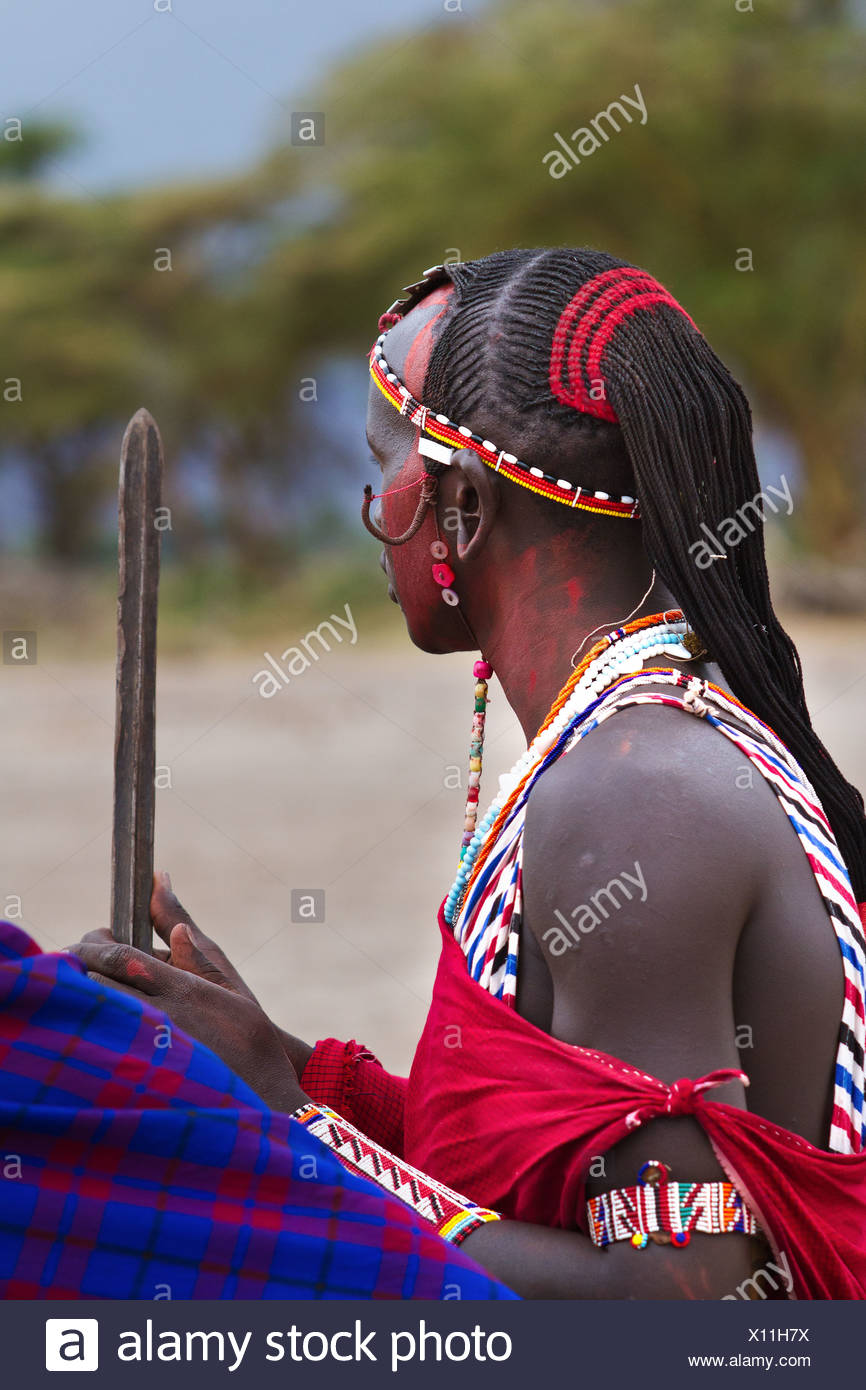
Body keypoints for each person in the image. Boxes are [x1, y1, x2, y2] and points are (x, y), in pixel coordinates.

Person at [72, 249, 866, 1299]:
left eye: (382, 463)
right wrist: (274, 1060)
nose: (369, 507)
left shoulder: (632, 795)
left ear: (459, 505)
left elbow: (679, 1309)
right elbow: (527, 1179)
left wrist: (291, 1120)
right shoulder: (638, 747)